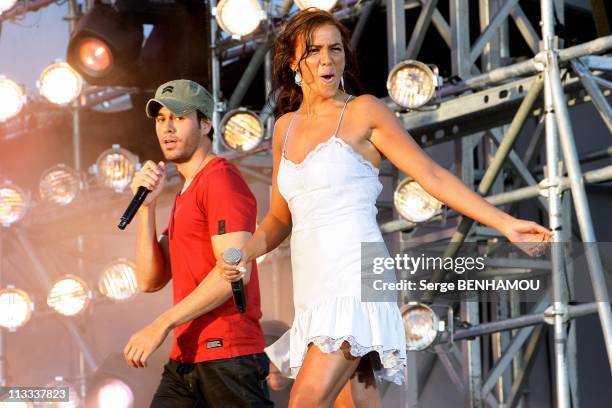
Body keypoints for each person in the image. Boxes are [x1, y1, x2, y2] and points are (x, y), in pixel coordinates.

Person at [219, 9, 552, 408]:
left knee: (304, 402)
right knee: (354, 405)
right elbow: (278, 218)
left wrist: (505, 223)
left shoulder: (364, 111)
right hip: (313, 289)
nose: (326, 60)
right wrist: (245, 254)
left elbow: (432, 174)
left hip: (356, 276)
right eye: (313, 51)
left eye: (335, 49)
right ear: (294, 62)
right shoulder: (284, 128)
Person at [123, 79, 273, 407]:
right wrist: (146, 208)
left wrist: (161, 324)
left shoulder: (219, 179)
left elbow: (234, 273)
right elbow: (150, 280)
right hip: (186, 359)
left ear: (206, 124)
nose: (167, 127)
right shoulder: (184, 193)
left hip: (227, 356)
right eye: (161, 119)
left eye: (178, 117)